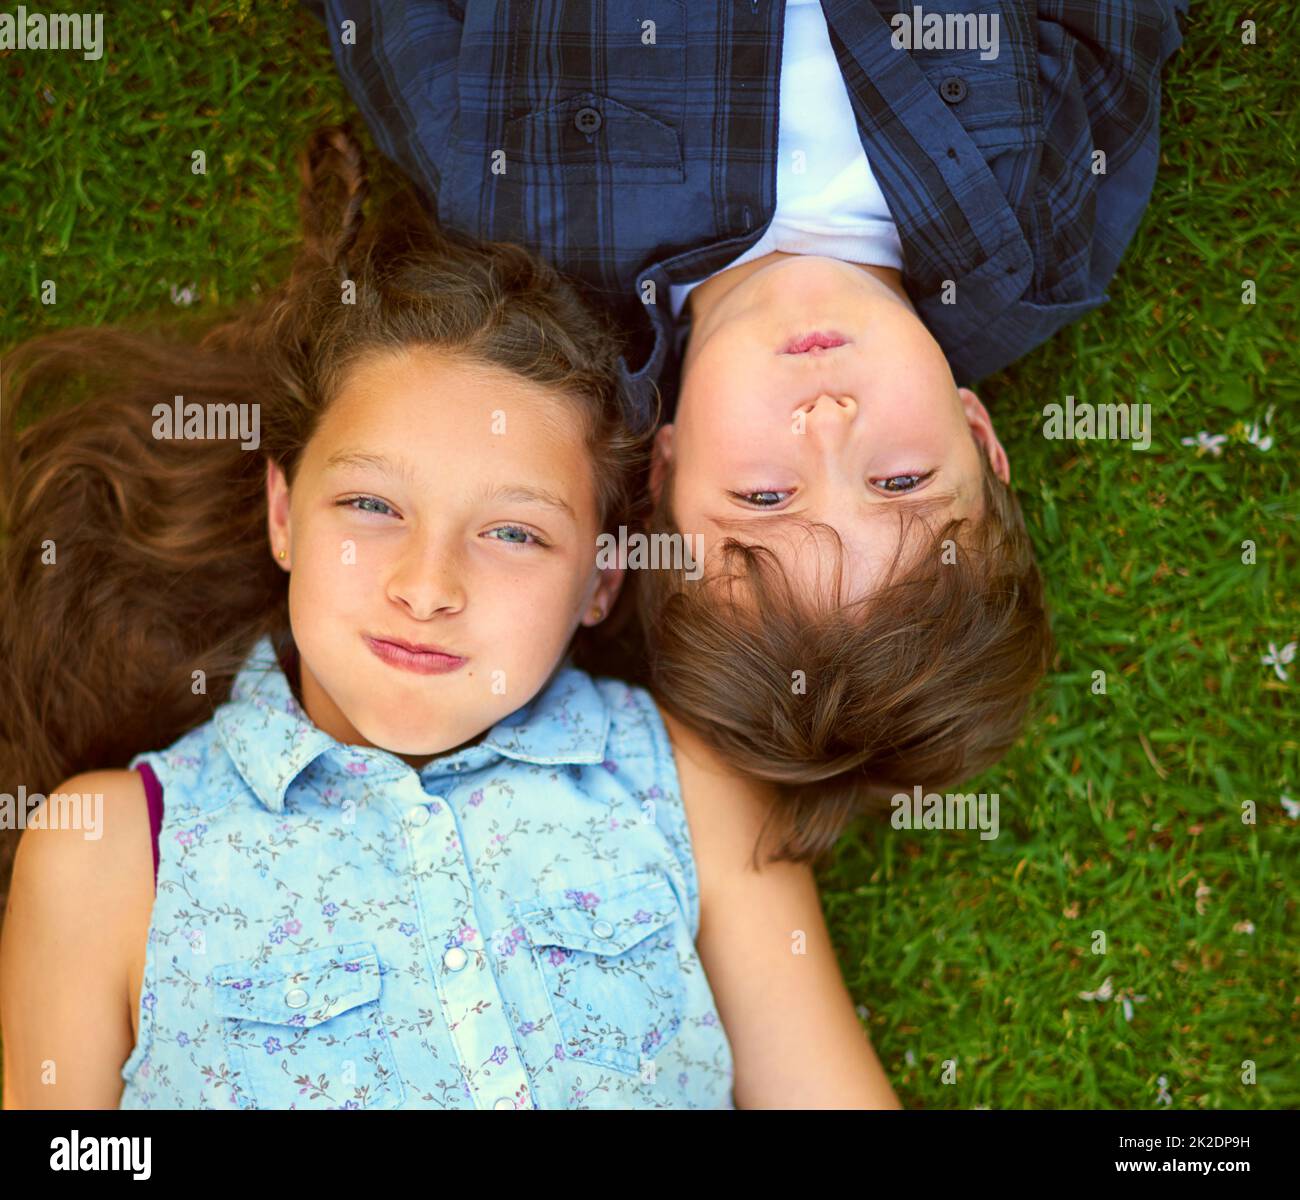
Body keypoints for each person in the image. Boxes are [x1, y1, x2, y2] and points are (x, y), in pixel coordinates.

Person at [0, 130, 900, 1109]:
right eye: (373, 508)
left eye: (513, 533)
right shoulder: (105, 852)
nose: (427, 588)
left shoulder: (683, 790)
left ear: (603, 577)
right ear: (281, 512)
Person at [301, 0, 1185, 860]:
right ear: (979, 438)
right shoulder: (1034, 239)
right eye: (902, 481)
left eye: (767, 496)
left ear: (662, 478)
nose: (829, 424)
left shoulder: (512, 212)